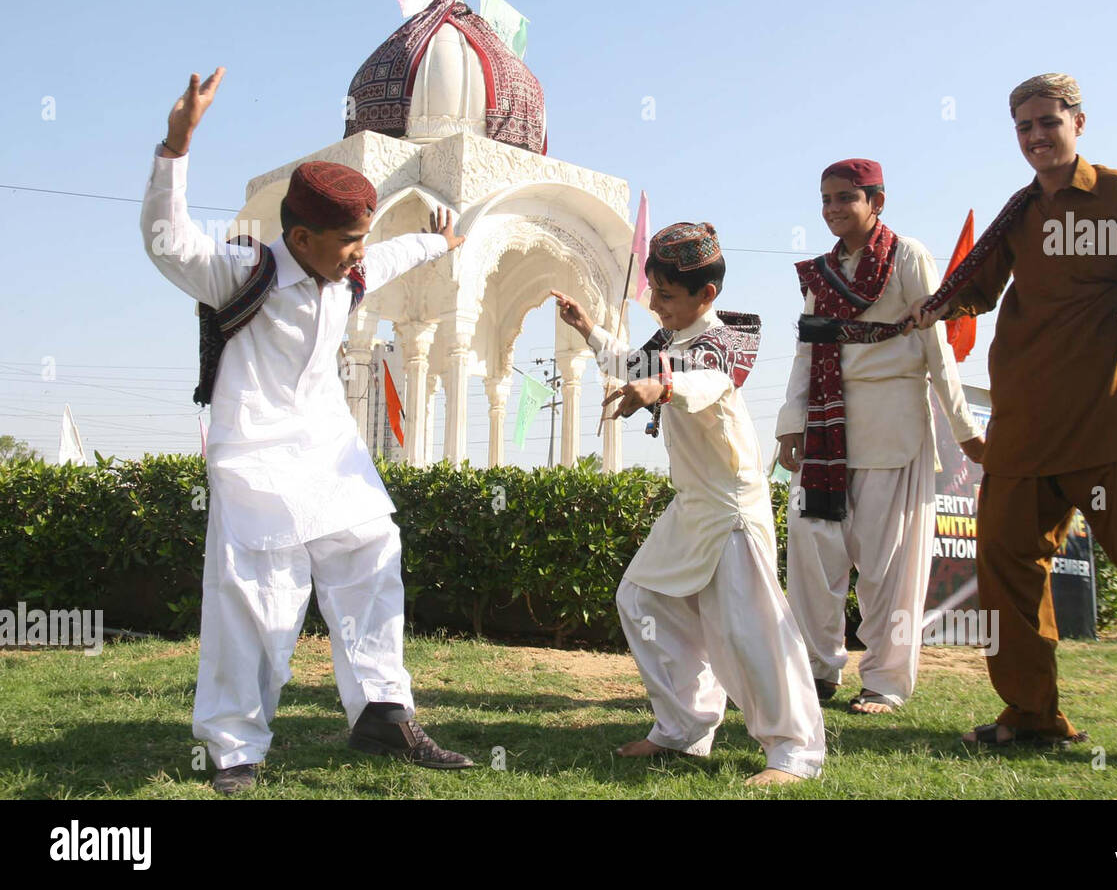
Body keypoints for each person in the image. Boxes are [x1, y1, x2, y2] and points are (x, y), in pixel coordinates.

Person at [142, 68, 473, 794]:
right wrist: (176, 147)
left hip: (327, 450)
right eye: (349, 240)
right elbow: (171, 245)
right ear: (300, 236)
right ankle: (234, 748)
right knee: (261, 592)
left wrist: (437, 245)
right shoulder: (242, 272)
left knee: (372, 550)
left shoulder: (347, 274)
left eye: (362, 238)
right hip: (254, 454)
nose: (360, 251)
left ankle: (382, 710)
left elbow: (388, 255)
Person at [906, 73, 1117, 781]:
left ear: (1079, 122)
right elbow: (973, 294)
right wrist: (921, 306)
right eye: (1023, 127)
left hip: (1109, 422)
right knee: (1006, 572)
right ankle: (1031, 715)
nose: (1035, 137)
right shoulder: (1018, 213)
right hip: (1022, 424)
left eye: (1048, 122)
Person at [551, 221, 825, 787]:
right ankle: (684, 729)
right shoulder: (669, 341)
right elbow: (632, 366)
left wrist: (662, 388)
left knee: (750, 630)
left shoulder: (718, 343)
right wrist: (588, 330)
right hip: (691, 507)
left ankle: (794, 752)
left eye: (668, 296)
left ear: (708, 295)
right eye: (653, 293)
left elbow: (707, 381)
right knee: (643, 599)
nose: (656, 305)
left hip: (730, 509)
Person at [775, 158, 985, 715]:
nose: (832, 209)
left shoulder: (908, 255)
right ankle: (817, 671)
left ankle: (885, 682)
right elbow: (806, 348)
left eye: (845, 198)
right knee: (813, 552)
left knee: (888, 563)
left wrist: (963, 427)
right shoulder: (821, 273)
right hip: (825, 427)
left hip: (892, 423)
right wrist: (790, 424)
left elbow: (936, 343)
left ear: (877, 202)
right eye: (825, 199)